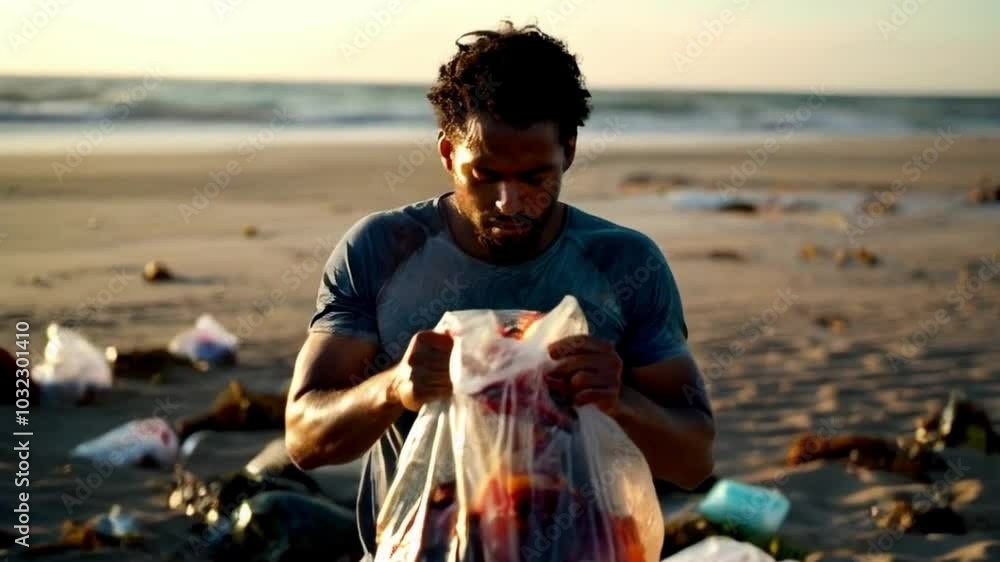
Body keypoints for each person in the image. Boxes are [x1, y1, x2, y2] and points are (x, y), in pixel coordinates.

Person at [285, 21, 714, 550]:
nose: (509, 203)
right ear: (448, 155)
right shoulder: (381, 250)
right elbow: (304, 439)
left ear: (570, 152)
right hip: (428, 546)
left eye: (535, 177)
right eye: (483, 175)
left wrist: (621, 399)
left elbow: (695, 461)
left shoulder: (623, 263)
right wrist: (394, 387)